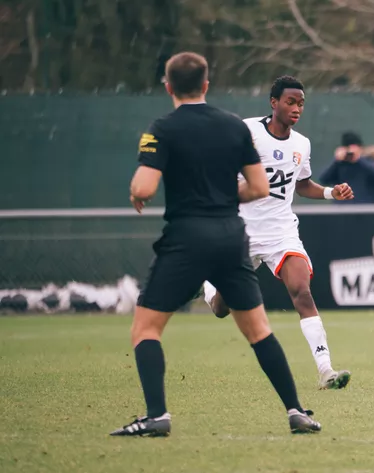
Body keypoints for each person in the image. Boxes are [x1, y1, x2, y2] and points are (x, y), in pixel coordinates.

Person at [112, 54, 320, 437]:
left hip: (187, 237)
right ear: (206, 85)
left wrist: (135, 191)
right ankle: (295, 410)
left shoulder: (162, 128)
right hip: (230, 237)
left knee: (145, 329)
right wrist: (222, 197)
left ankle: (157, 416)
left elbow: (144, 187)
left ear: (168, 86)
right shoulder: (232, 126)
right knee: (259, 330)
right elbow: (259, 188)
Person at [203, 76, 354, 390]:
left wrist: (330, 194)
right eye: (290, 101)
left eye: (301, 103)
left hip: (281, 232)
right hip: (240, 231)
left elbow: (301, 185)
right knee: (221, 308)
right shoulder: (247, 131)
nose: (297, 108)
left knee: (302, 291)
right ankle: (207, 286)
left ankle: (326, 370)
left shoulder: (302, 144)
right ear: (273, 102)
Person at [319, 131, 374, 204]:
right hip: (342, 210)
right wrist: (337, 160)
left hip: (368, 209)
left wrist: (359, 159)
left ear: (361, 148)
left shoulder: (371, 161)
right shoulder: (339, 165)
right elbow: (323, 179)